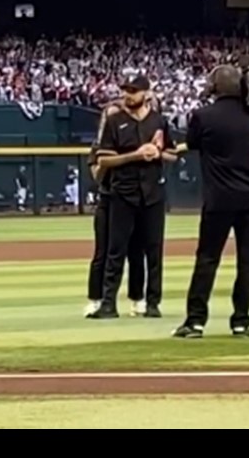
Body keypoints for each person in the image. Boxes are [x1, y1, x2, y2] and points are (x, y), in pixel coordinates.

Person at [175, 65, 249, 339]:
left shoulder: (203, 116)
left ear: (215, 87)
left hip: (220, 199)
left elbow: (192, 143)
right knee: (248, 261)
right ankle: (241, 322)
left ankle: (195, 321)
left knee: (207, 259)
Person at [88, 77, 174, 320]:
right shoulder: (115, 121)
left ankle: (153, 302)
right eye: (125, 91)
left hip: (153, 194)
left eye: (133, 91)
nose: (128, 95)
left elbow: (172, 154)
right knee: (116, 250)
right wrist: (135, 155)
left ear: (146, 93)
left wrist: (157, 152)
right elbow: (103, 159)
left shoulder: (159, 121)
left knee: (154, 251)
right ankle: (108, 303)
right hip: (122, 192)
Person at [84, 104, 119, 317]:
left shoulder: (130, 140)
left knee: (135, 253)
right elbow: (97, 176)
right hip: (107, 199)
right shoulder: (98, 146)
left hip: (130, 200)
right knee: (102, 253)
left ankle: (139, 299)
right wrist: (108, 160)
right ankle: (95, 299)